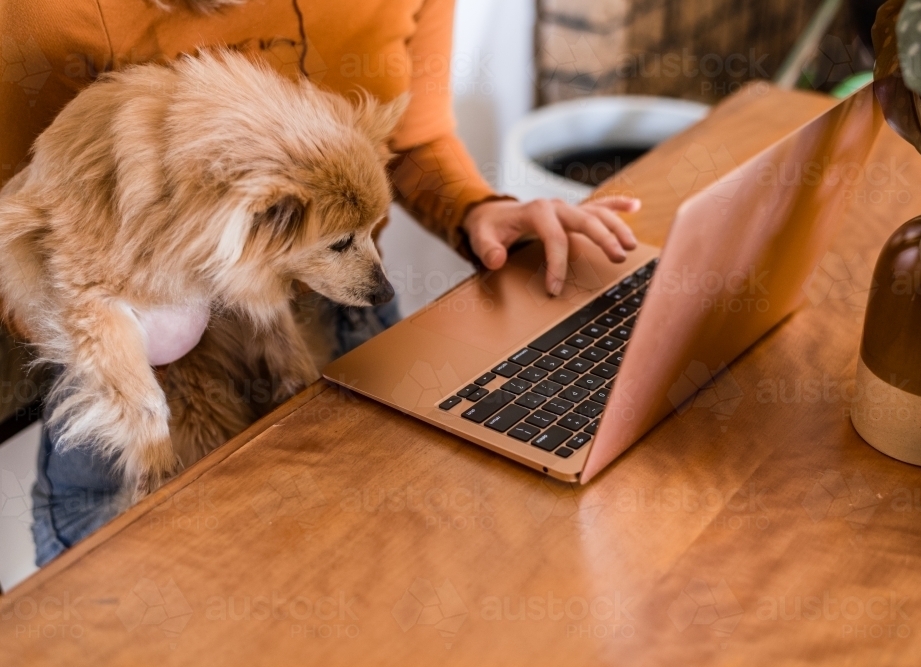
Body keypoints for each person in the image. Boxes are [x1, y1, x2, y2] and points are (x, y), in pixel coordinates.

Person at [0, 0, 641, 565]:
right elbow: (22, 236)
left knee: (394, 581)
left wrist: (476, 208)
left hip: (347, 340)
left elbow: (412, 139)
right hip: (142, 393)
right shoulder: (42, 12)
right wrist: (129, 322)